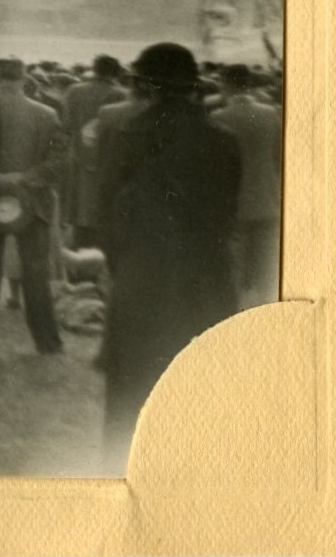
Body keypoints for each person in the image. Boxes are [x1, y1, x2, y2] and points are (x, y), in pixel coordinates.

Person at [98, 42, 241, 470]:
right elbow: (226, 218)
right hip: (206, 281)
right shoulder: (223, 141)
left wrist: (122, 265)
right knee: (197, 389)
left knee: (132, 396)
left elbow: (105, 217)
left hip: (143, 281)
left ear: (145, 87)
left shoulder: (128, 137)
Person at [0, 58, 66, 354]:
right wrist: (28, 178)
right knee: (36, 275)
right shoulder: (47, 113)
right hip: (34, 202)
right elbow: (58, 161)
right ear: (24, 79)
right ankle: (47, 343)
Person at [210, 64, 283, 308]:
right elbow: (279, 156)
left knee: (236, 267)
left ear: (225, 84)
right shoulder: (271, 113)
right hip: (267, 197)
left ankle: (238, 313)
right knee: (267, 266)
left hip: (233, 202)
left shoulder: (218, 117)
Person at [58, 55, 128, 250]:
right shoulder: (121, 94)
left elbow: (66, 127)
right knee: (102, 213)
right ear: (115, 73)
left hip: (79, 158)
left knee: (79, 214)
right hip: (107, 161)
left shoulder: (74, 91)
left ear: (95, 70)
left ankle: (79, 260)